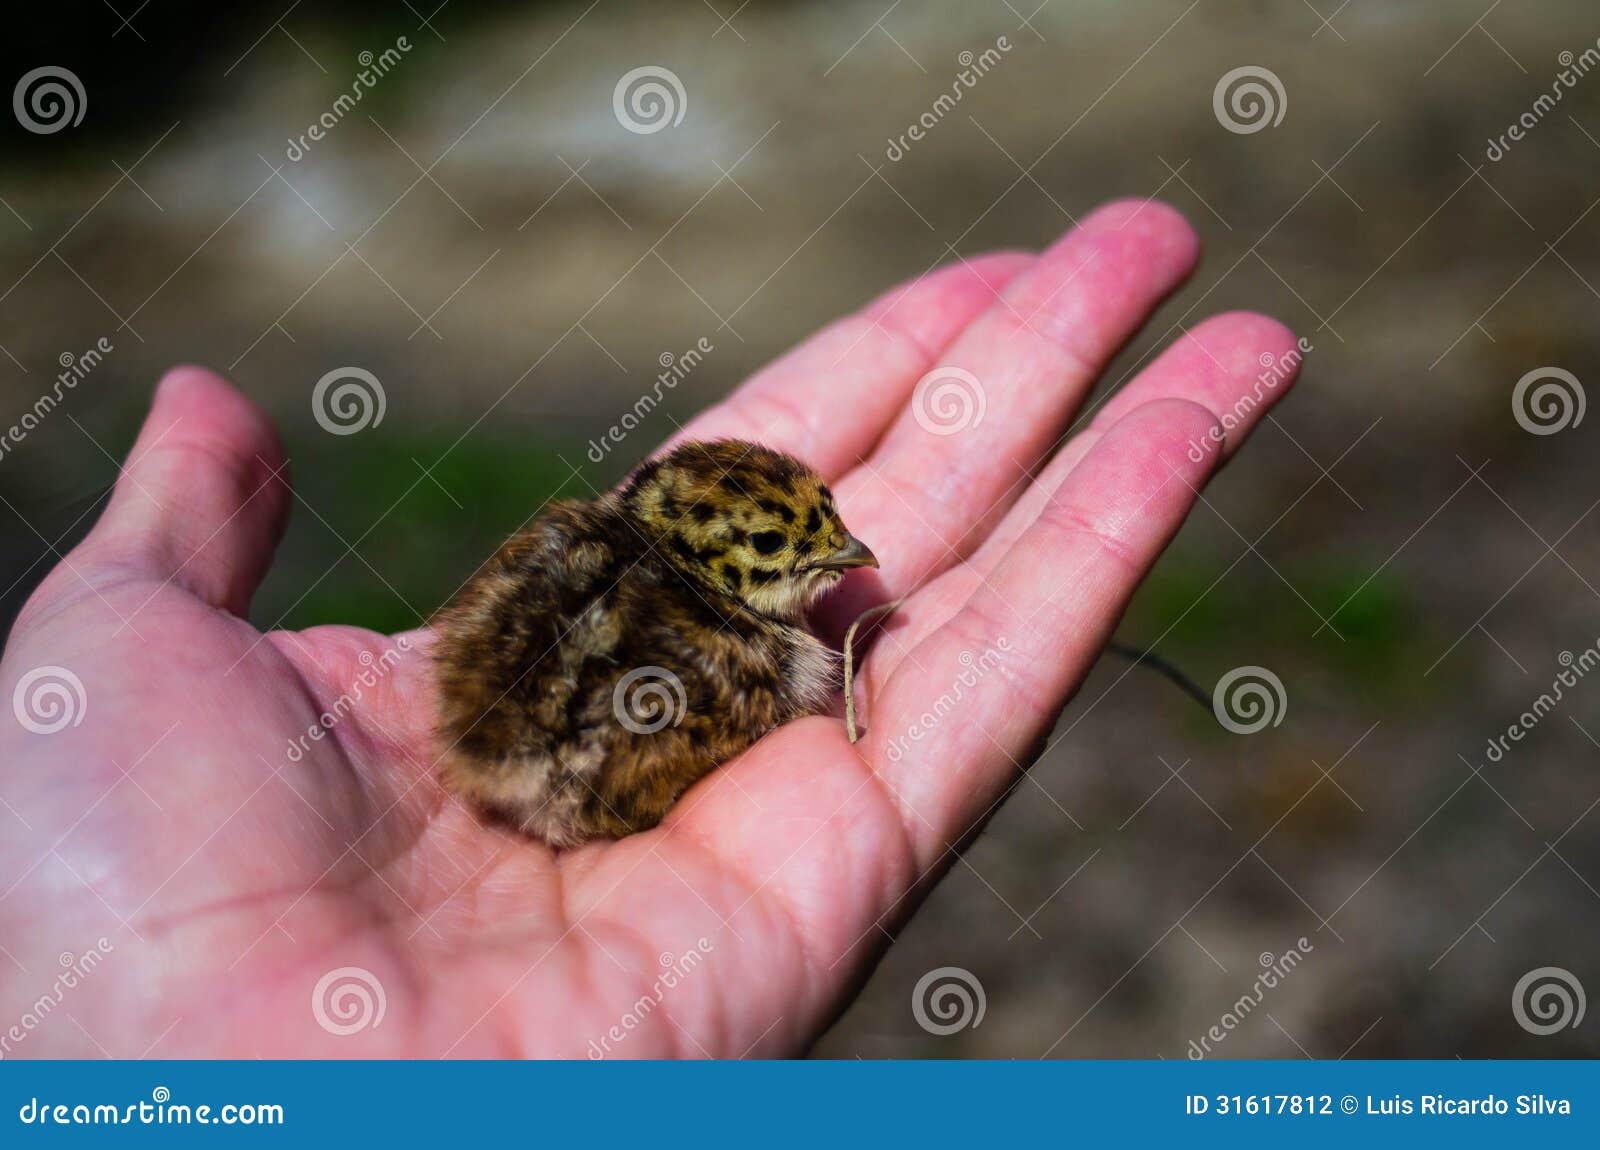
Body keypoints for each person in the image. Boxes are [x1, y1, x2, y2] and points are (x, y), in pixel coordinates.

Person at [0, 201, 1299, 1057]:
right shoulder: (735, 659)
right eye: (796, 561)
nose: (848, 565)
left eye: (824, 540)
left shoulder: (581, 544)